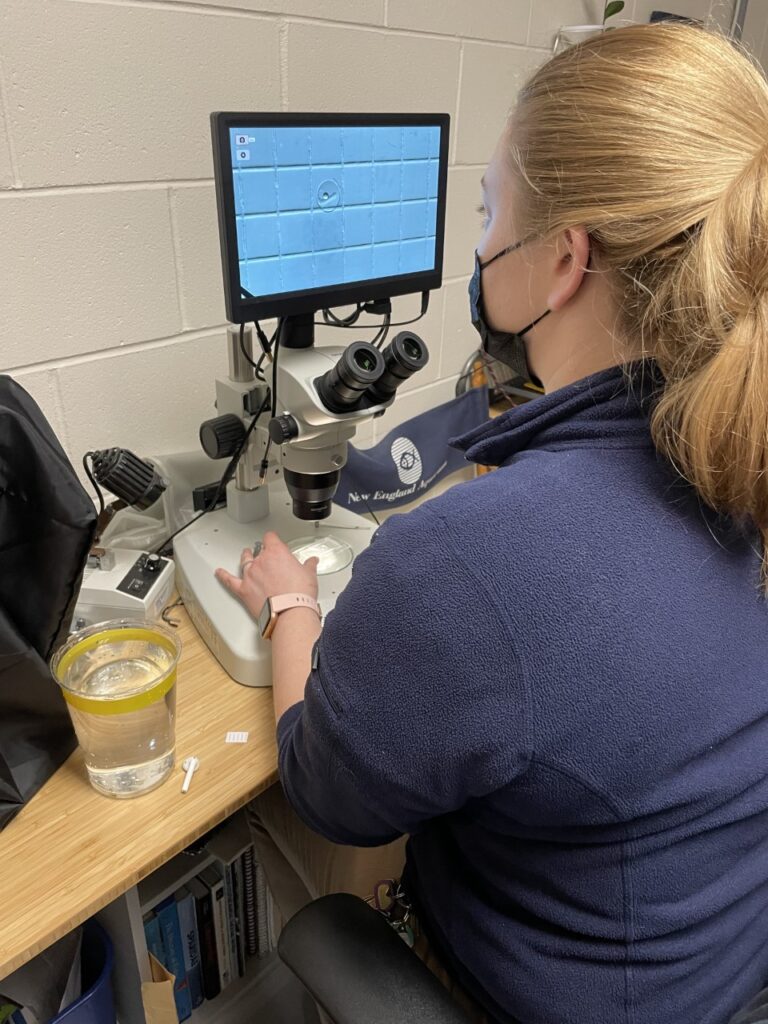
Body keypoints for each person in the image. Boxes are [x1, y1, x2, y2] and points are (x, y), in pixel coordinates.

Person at [215, 21, 768, 1024]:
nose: (478, 247)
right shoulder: (741, 463)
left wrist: (292, 604)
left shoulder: (475, 561)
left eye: (489, 209)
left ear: (565, 258)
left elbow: (328, 791)